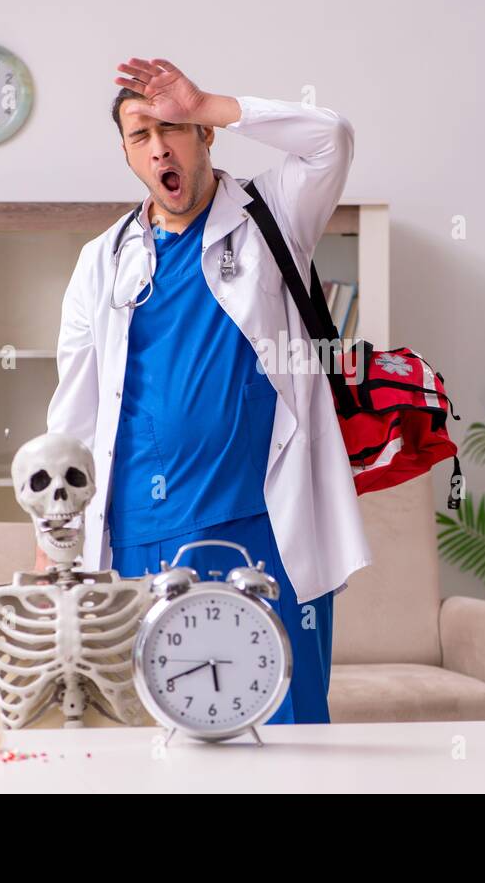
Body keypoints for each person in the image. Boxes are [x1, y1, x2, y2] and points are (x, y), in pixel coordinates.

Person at [42, 57, 372, 724]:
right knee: (164, 736)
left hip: (263, 522)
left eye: (175, 126)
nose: (159, 144)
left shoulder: (273, 215)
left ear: (204, 135)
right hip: (139, 532)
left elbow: (329, 137)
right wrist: (57, 541)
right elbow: (73, 415)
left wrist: (209, 100)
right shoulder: (101, 259)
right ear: (129, 156)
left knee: (290, 727)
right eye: (141, 135)